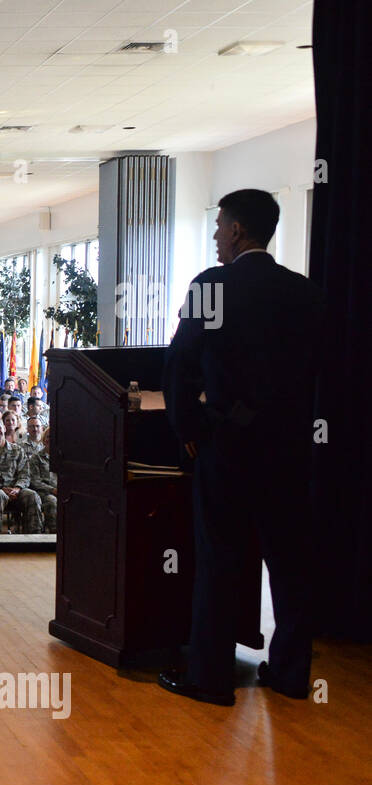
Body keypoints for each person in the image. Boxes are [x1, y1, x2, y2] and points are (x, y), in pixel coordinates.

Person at [159, 188, 323, 706]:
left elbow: (180, 367)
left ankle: (210, 678)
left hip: (226, 448)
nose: (213, 235)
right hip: (292, 450)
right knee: (292, 563)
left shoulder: (212, 287)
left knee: (220, 559)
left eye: (219, 226)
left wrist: (187, 430)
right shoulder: (303, 292)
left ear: (236, 230)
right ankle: (292, 675)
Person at [0, 418, 41, 533]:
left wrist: (18, 488)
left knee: (32, 495)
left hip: (16, 490)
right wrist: (2, 488)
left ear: (4, 428)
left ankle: (33, 537)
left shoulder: (17, 450)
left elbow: (25, 473)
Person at [28, 426, 57, 534]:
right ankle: (55, 535)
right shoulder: (36, 458)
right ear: (44, 440)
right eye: (48, 437)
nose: (51, 439)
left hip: (62, 492)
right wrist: (52, 490)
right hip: (44, 493)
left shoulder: (63, 457)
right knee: (52, 501)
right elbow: (35, 481)